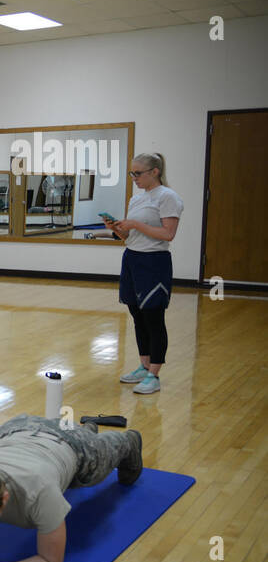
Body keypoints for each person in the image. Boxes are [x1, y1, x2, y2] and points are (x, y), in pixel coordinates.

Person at [0, 415, 142, 562]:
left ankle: (127, 441)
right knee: (72, 433)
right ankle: (85, 429)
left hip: (75, 446)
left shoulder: (40, 492)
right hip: (17, 428)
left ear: (5, 498)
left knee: (96, 466)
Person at [104, 152, 183, 395]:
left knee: (153, 317)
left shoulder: (168, 197)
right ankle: (144, 365)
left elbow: (168, 234)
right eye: (132, 173)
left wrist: (135, 224)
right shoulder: (136, 200)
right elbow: (129, 237)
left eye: (138, 173)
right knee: (137, 315)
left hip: (154, 262)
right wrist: (117, 229)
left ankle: (154, 375)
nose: (134, 178)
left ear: (154, 172)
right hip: (132, 258)